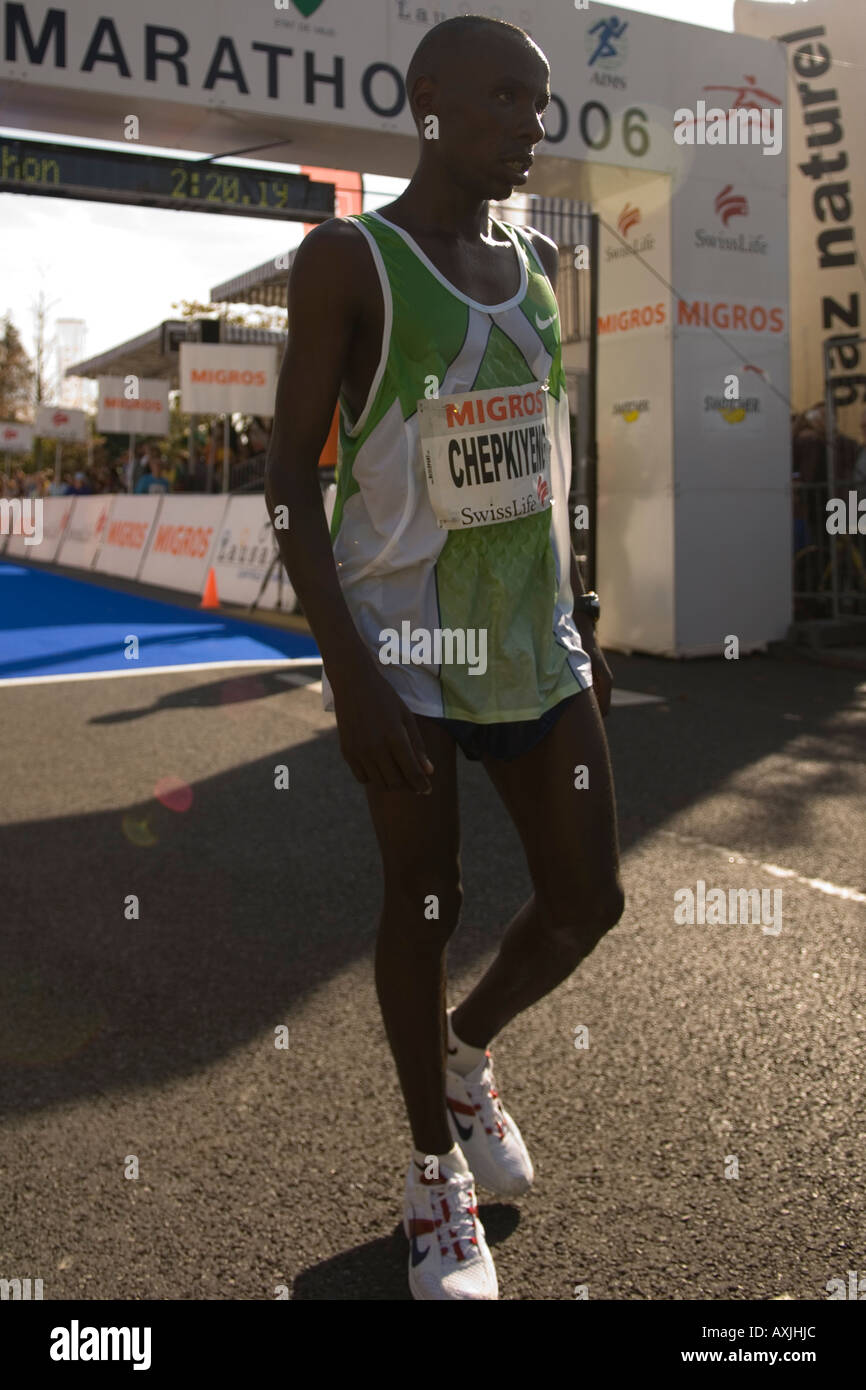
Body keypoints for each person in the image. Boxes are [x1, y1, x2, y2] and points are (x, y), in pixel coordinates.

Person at [265, 14, 624, 1301]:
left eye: (541, 101)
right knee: (428, 902)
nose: (537, 122)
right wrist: (347, 671)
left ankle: (466, 1053)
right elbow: (288, 487)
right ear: (430, 103)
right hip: (404, 648)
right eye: (511, 98)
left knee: (589, 899)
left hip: (531, 638)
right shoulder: (346, 260)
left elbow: (541, 454)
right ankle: (432, 1176)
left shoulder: (534, 264)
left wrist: (574, 606)